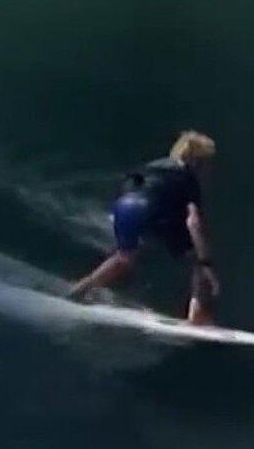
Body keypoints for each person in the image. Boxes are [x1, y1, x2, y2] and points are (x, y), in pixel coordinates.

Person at [66, 130, 221, 325]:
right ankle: (197, 316)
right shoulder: (187, 177)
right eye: (208, 163)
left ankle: (79, 291)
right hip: (152, 210)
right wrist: (206, 261)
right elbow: (193, 221)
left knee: (124, 257)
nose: (209, 169)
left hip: (123, 206)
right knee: (196, 261)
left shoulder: (152, 166)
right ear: (197, 161)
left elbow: (129, 186)